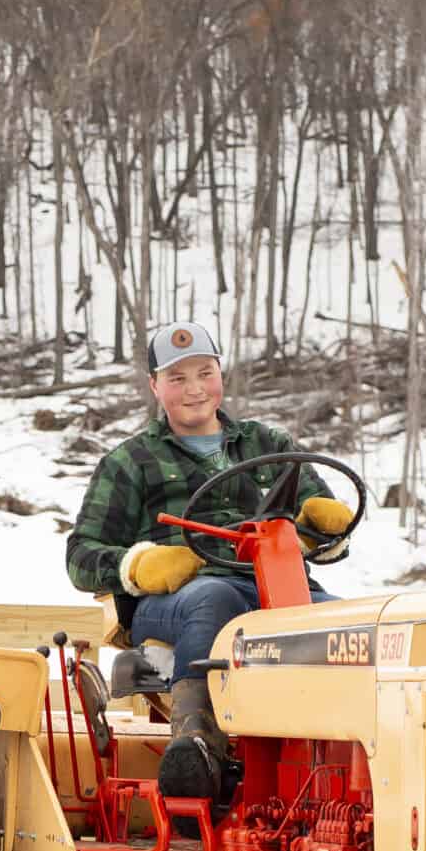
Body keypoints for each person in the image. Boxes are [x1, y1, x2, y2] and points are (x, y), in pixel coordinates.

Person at [66, 321, 357, 797]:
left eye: (205, 373)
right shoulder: (130, 462)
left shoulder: (269, 445)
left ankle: (345, 765)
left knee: (352, 624)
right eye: (177, 378)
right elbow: (81, 555)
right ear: (154, 386)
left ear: (220, 373)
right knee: (216, 597)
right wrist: (138, 566)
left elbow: (318, 527)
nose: (195, 389)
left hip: (279, 590)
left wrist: (324, 525)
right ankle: (198, 750)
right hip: (177, 604)